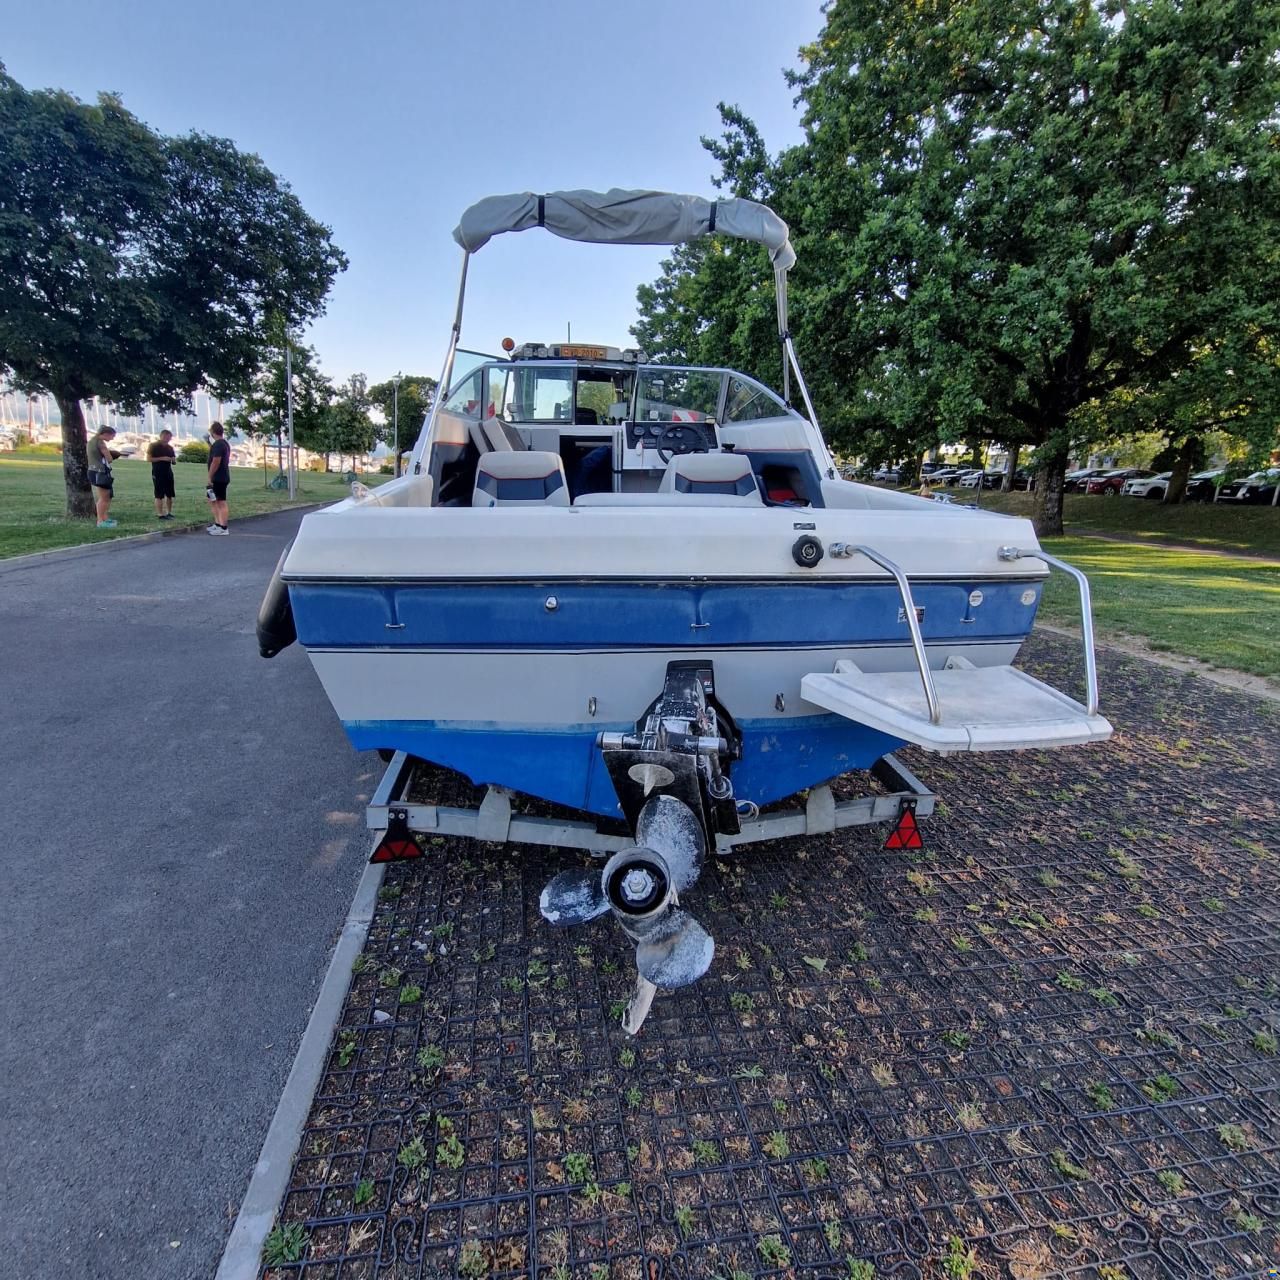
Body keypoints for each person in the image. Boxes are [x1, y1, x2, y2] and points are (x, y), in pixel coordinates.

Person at [87, 425, 118, 528]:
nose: (112, 438)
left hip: (93, 470)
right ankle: (100, 521)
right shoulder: (100, 443)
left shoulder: (92, 441)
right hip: (100, 471)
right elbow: (109, 459)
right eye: (112, 436)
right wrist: (112, 454)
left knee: (106, 496)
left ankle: (104, 518)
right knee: (104, 497)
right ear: (105, 434)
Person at [206, 421, 231, 535]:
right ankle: (218, 523)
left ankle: (223, 527)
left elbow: (216, 462)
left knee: (221, 502)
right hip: (221, 477)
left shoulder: (219, 444)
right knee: (212, 500)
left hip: (218, 478)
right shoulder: (223, 444)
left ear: (213, 432)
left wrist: (210, 476)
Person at [148, 427, 177, 520]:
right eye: (165, 436)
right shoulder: (153, 446)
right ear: (161, 436)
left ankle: (169, 512)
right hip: (158, 472)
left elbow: (174, 460)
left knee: (169, 494)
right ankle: (160, 514)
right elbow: (149, 459)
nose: (167, 439)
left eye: (169, 437)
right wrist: (162, 458)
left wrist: (173, 460)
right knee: (159, 493)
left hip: (168, 472)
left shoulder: (170, 448)